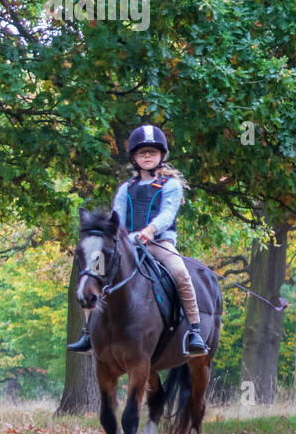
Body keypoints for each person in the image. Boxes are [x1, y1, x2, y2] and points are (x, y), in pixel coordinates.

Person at [68, 124, 208, 356]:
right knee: (94, 273)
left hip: (160, 243)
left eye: (152, 151)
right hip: (129, 245)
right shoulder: (125, 189)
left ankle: (194, 331)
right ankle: (87, 332)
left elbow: (167, 214)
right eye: (142, 152)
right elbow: (118, 219)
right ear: (134, 157)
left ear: (161, 155)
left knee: (181, 273)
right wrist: (128, 237)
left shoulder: (171, 185)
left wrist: (151, 230)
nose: (147, 156)